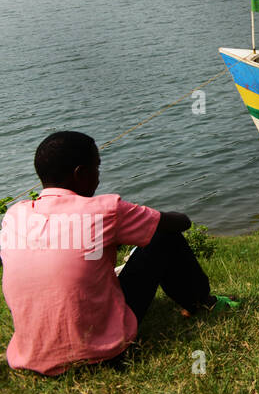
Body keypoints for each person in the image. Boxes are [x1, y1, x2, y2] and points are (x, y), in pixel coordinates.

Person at [0, 131, 236, 377]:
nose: (99, 178)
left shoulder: (15, 215)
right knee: (162, 237)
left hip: (31, 358)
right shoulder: (104, 210)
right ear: (80, 174)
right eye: (97, 168)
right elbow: (180, 223)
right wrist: (143, 219)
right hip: (100, 352)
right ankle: (201, 303)